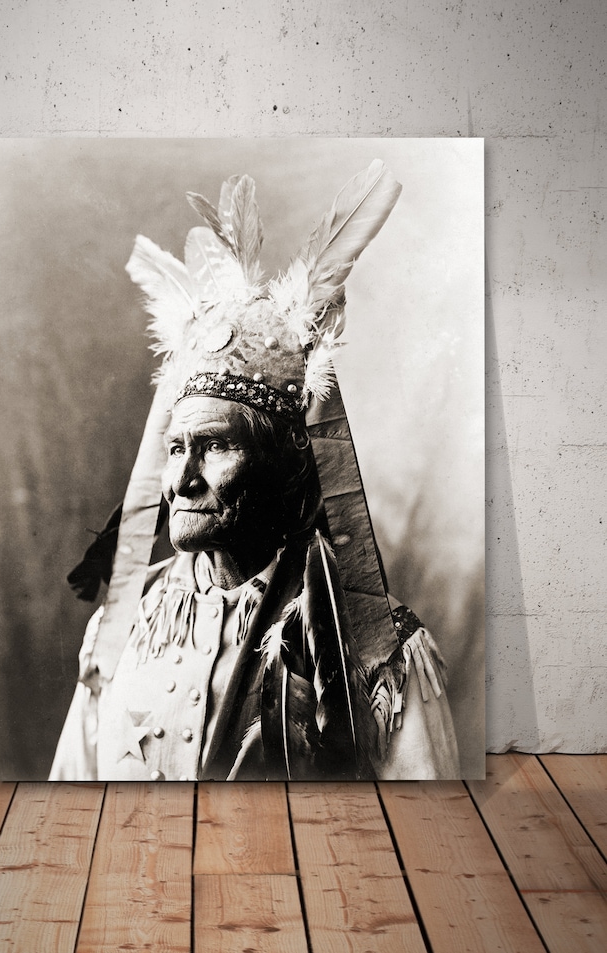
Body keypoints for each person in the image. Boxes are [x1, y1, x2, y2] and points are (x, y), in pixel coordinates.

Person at [50, 161, 460, 781]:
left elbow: (432, 838)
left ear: (282, 469)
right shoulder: (122, 626)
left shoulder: (379, 653)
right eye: (174, 448)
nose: (182, 478)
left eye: (214, 447)